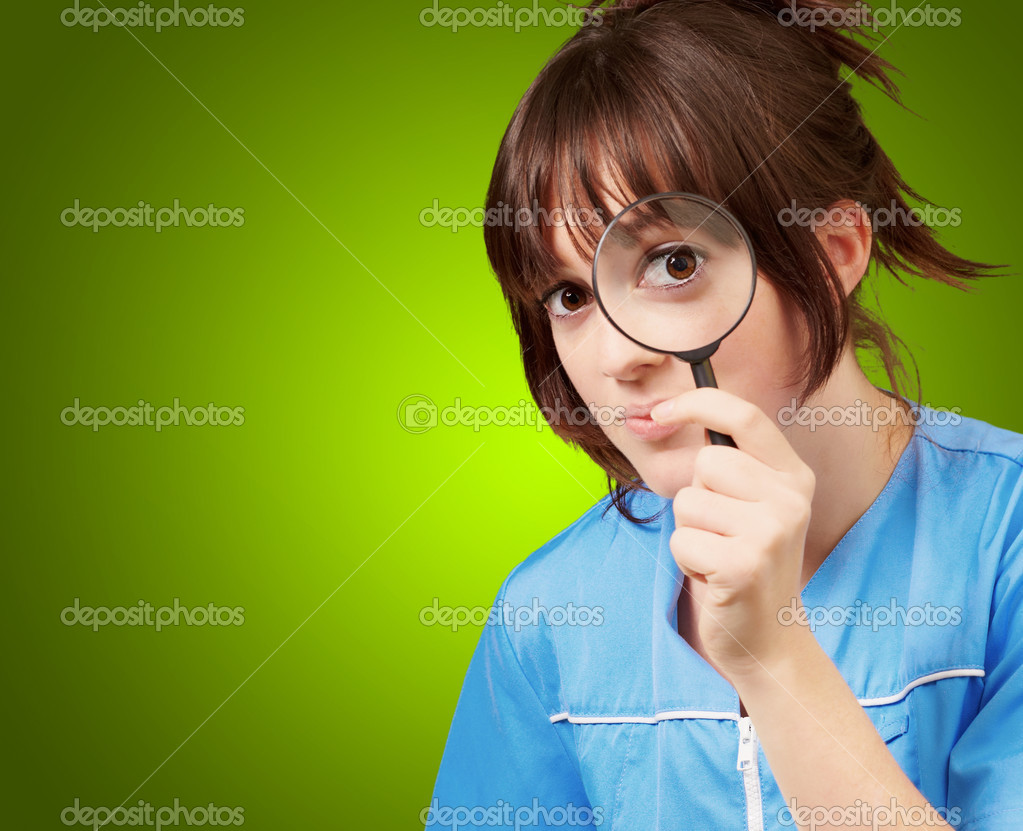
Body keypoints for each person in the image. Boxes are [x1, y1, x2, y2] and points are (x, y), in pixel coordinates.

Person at [426, 1, 1023, 829]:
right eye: (567, 294)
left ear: (835, 251)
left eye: (674, 261)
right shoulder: (547, 613)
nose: (614, 356)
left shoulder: (1005, 542)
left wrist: (775, 659)